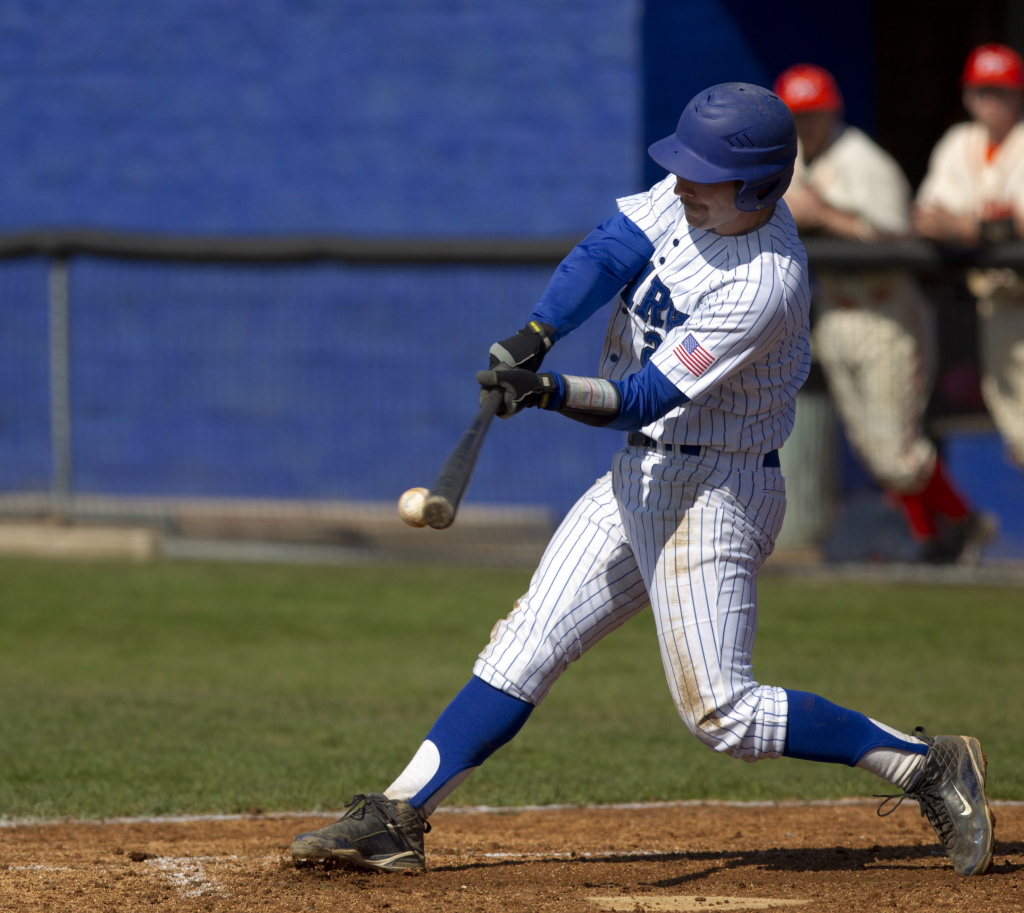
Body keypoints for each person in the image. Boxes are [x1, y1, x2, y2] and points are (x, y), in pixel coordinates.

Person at [290, 83, 995, 877]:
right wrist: (537, 334)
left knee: (721, 712)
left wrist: (549, 391)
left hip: (715, 496)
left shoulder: (764, 280)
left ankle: (926, 763)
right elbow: (608, 248)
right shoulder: (691, 197)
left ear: (760, 187)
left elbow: (645, 398)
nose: (684, 183)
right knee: (526, 643)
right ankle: (398, 812)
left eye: (705, 175)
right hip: (643, 475)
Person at [772, 63, 995, 564]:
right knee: (875, 451)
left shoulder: (864, 162)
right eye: (797, 115)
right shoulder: (792, 162)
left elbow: (900, 238)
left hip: (885, 311)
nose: (806, 125)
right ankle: (937, 540)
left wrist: (825, 215)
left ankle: (962, 521)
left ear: (833, 112)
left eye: (814, 114)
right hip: (836, 312)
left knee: (897, 453)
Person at [914, 42, 1024, 472]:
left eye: (999, 91)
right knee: (1013, 424)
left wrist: (967, 228)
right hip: (995, 301)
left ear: (1018, 95)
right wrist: (988, 228)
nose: (988, 101)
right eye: (981, 91)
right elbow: (926, 215)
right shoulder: (960, 142)